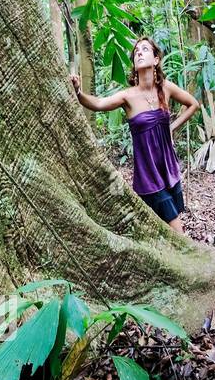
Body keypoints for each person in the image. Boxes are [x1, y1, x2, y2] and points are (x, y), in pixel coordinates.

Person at [70, 37, 200, 233]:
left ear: (156, 60)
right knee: (178, 233)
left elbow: (193, 105)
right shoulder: (127, 96)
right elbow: (98, 104)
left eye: (145, 49)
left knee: (165, 232)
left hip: (168, 170)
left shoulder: (166, 88)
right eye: (136, 51)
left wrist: (171, 128)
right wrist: (79, 92)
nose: (139, 52)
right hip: (149, 177)